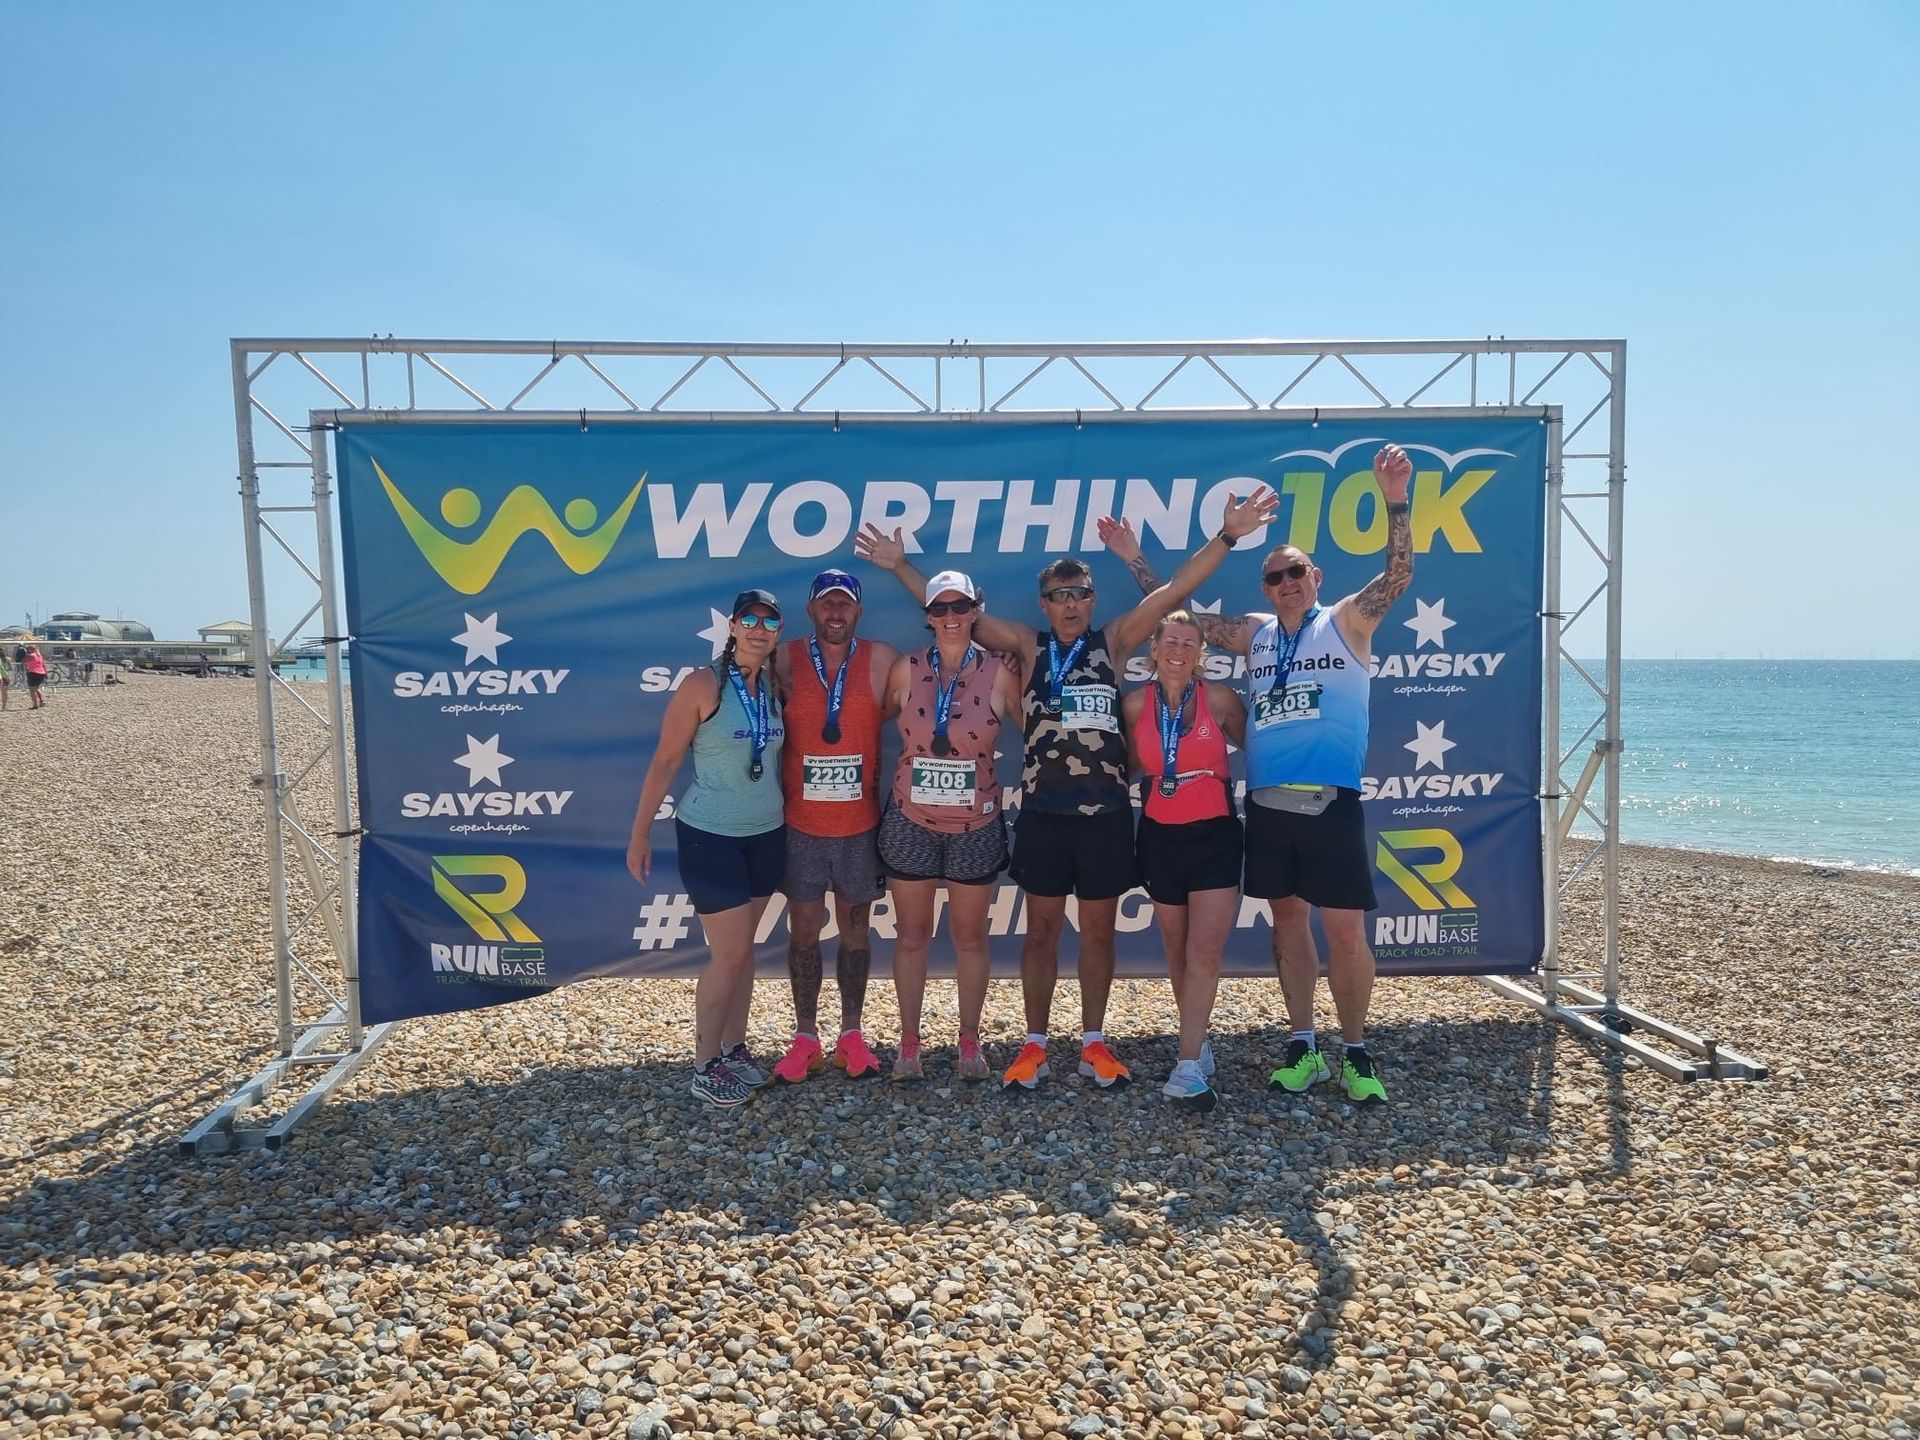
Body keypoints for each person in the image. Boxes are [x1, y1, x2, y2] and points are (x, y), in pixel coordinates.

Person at [856, 487, 1278, 1091]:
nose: (1070, 602)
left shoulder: (1116, 640)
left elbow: (1176, 591)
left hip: (1105, 814)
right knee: (1043, 931)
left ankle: (1094, 1043)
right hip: (1043, 815)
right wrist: (899, 565)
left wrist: (1229, 536)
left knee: (1099, 932)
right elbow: (959, 612)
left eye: (1079, 592)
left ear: (1092, 598)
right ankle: (1033, 1045)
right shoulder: (1027, 646)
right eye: (1058, 595)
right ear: (1044, 603)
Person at [1108, 443, 1414, 1103]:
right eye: (1274, 577)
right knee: (1287, 925)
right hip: (1269, 807)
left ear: (1318, 576)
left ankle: (1357, 1053)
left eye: (1295, 572)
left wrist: (1396, 502)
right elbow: (1179, 621)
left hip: (1331, 801)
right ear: (1265, 589)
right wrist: (1135, 559)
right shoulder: (1256, 634)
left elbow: (1398, 574)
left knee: (1344, 931)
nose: (1286, 584)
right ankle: (1303, 1044)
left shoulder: (1348, 624)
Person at [628, 589, 789, 1108]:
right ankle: (704, 1066)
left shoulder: (772, 684)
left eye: (770, 621)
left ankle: (734, 1047)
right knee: (730, 953)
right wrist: (638, 834)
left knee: (746, 953)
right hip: (710, 835)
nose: (760, 629)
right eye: (750, 619)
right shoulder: (702, 685)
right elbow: (664, 761)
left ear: (778, 631)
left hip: (766, 832)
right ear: (734, 628)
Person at [876, 570, 1026, 1081]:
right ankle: (909, 1044)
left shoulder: (1000, 674)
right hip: (911, 819)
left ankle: (969, 1043)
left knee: (969, 937)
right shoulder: (906, 668)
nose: (950, 618)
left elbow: (1039, 733)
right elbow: (865, 723)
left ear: (975, 611)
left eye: (959, 606)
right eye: (939, 609)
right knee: (912, 935)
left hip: (975, 823)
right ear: (927, 618)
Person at [769, 569, 899, 1083]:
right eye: (827, 605)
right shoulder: (784, 658)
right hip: (800, 824)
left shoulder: (883, 659)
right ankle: (805, 1037)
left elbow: (899, 707)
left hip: (858, 825)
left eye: (845, 605)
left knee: (855, 927)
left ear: (859, 613)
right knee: (803, 928)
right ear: (811, 612)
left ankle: (852, 1034)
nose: (836, 613)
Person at [1116, 608, 1247, 1112]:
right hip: (1158, 836)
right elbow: (1124, 768)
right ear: (1154, 649)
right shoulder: (1133, 706)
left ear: (1200, 654)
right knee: (1177, 952)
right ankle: (1199, 1038)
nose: (1178, 652)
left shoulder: (1219, 699)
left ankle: (1187, 1066)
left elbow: (1262, 747)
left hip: (1214, 835)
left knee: (1204, 953)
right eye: (1170, 642)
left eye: (1189, 645)